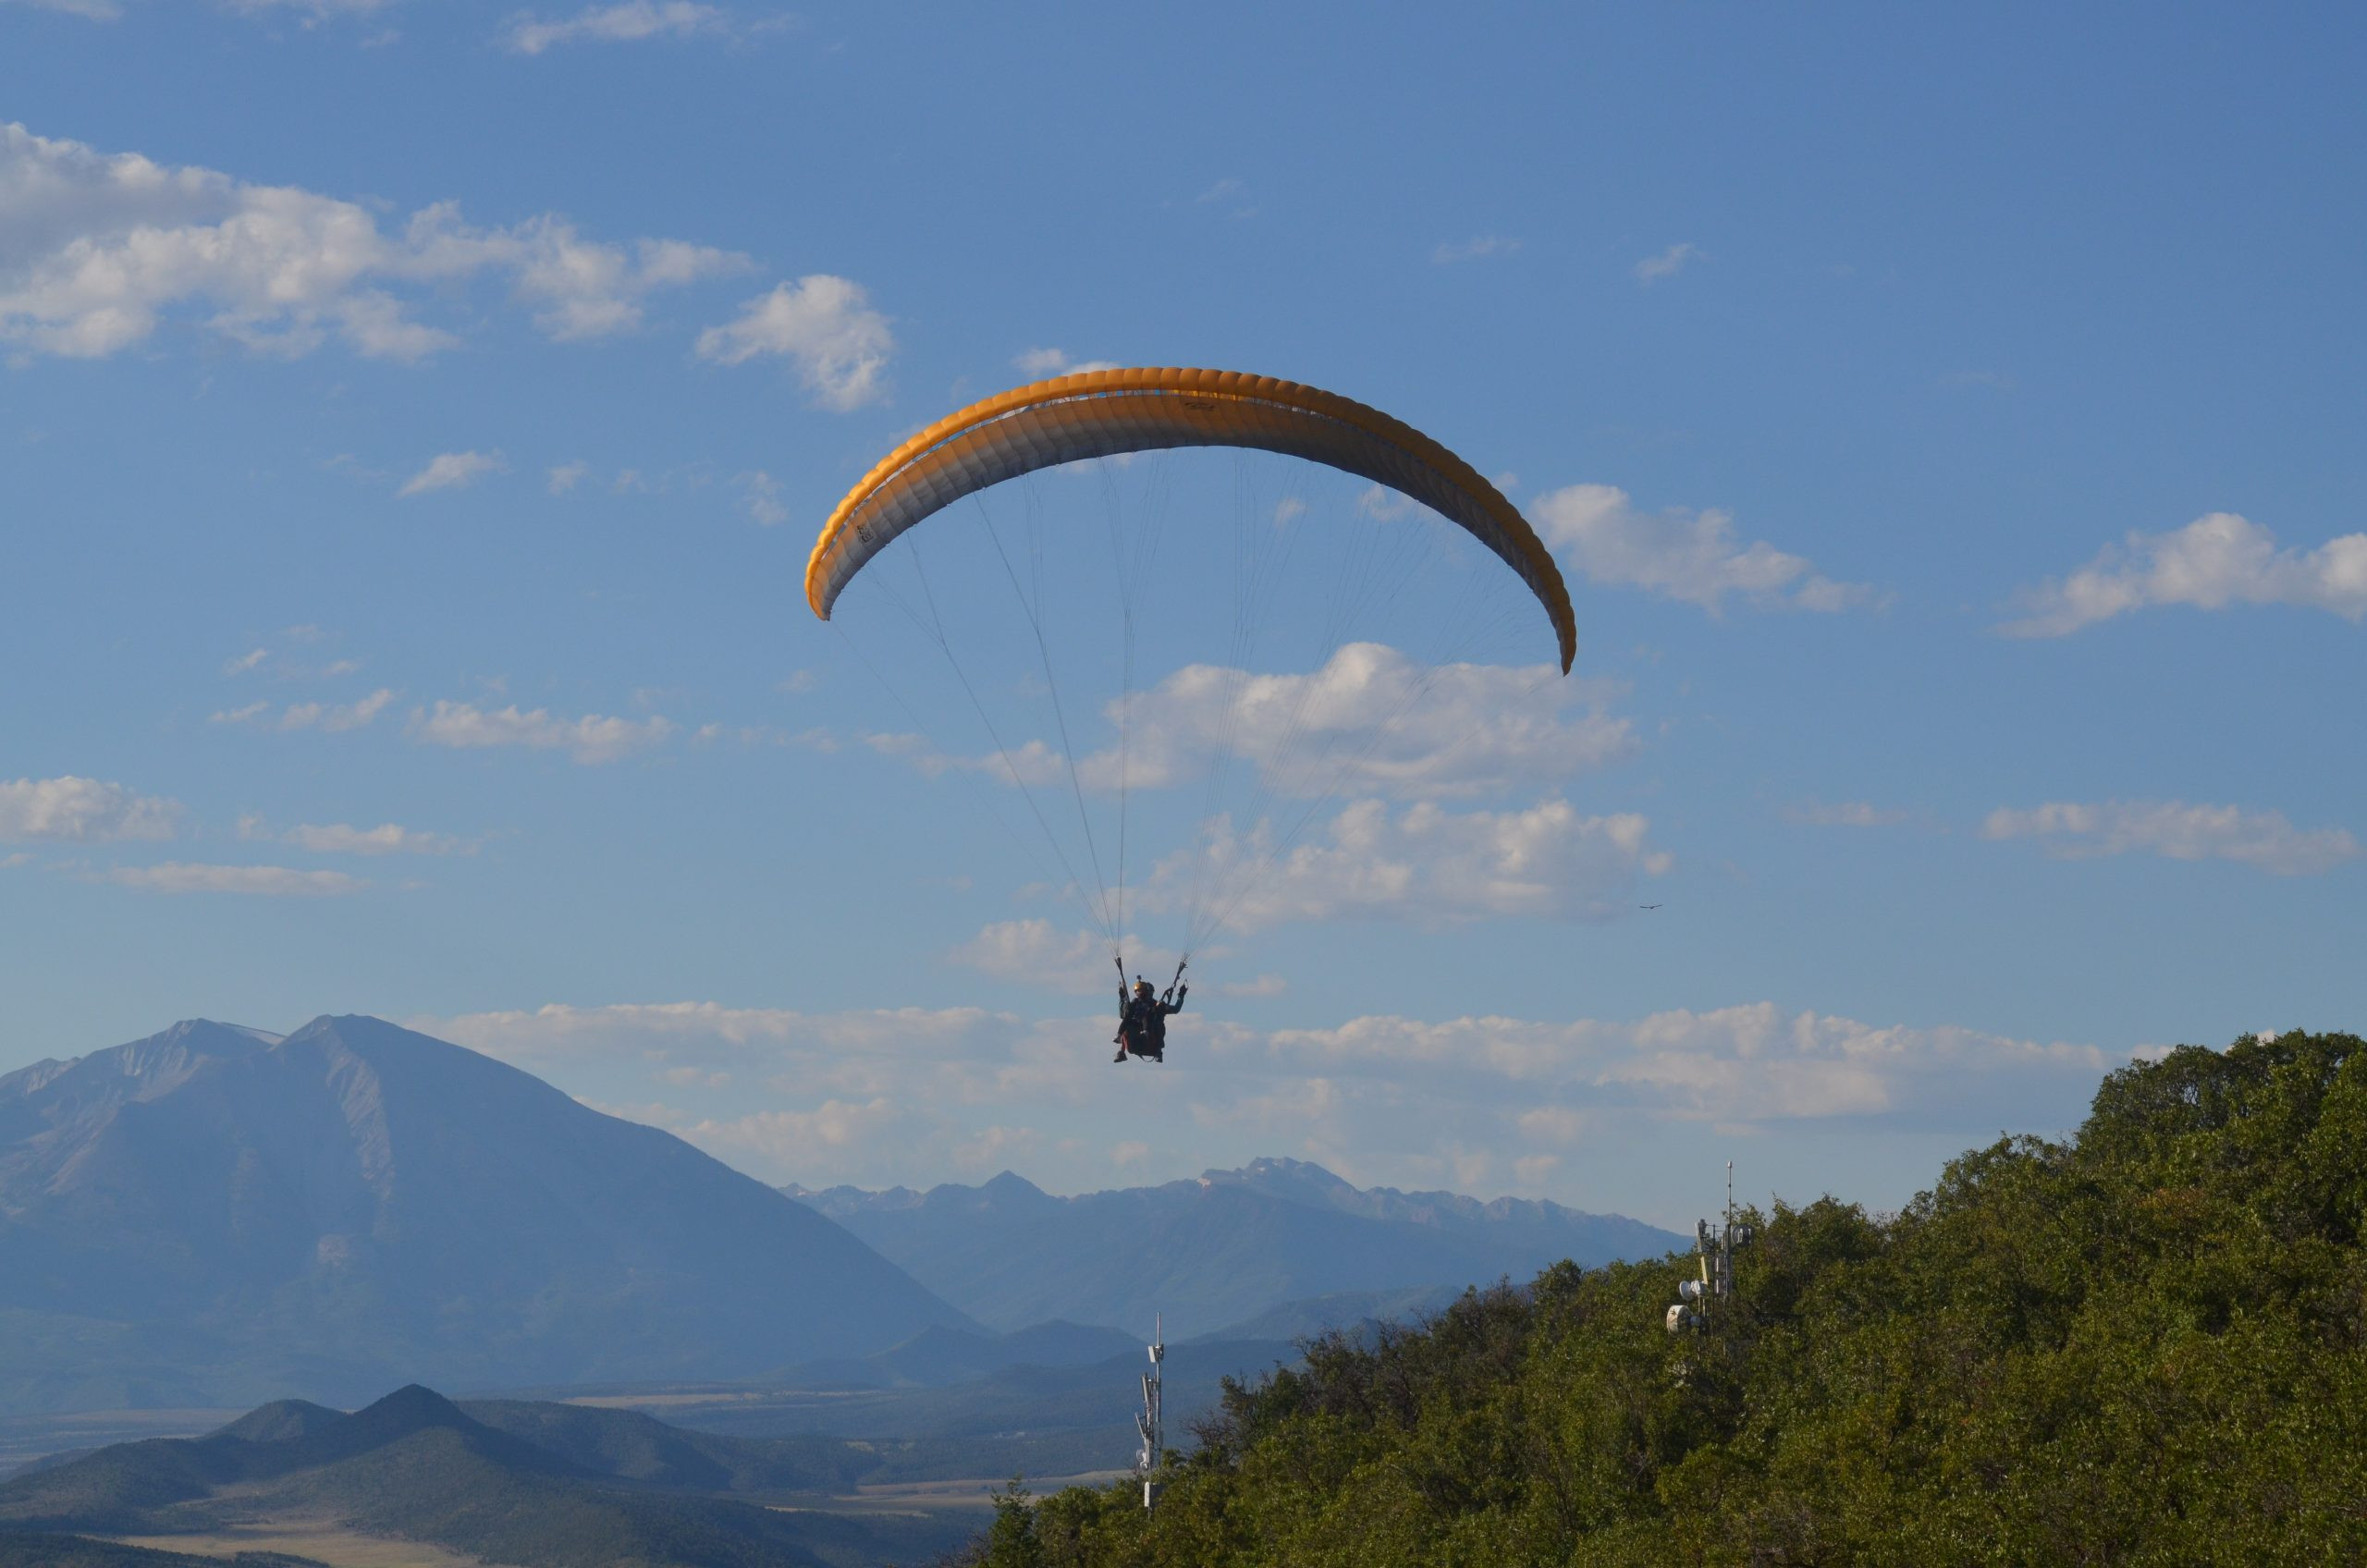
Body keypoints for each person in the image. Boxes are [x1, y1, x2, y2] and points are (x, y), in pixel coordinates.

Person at [1112, 976, 1187, 1063]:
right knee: (1127, 1021)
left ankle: (1158, 1051)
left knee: (1158, 1022)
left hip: (1150, 1031)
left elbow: (1175, 1009)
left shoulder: (1157, 1004)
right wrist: (1122, 998)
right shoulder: (1135, 1003)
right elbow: (1124, 1014)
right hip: (1136, 1030)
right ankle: (1122, 1051)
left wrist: (1181, 995)